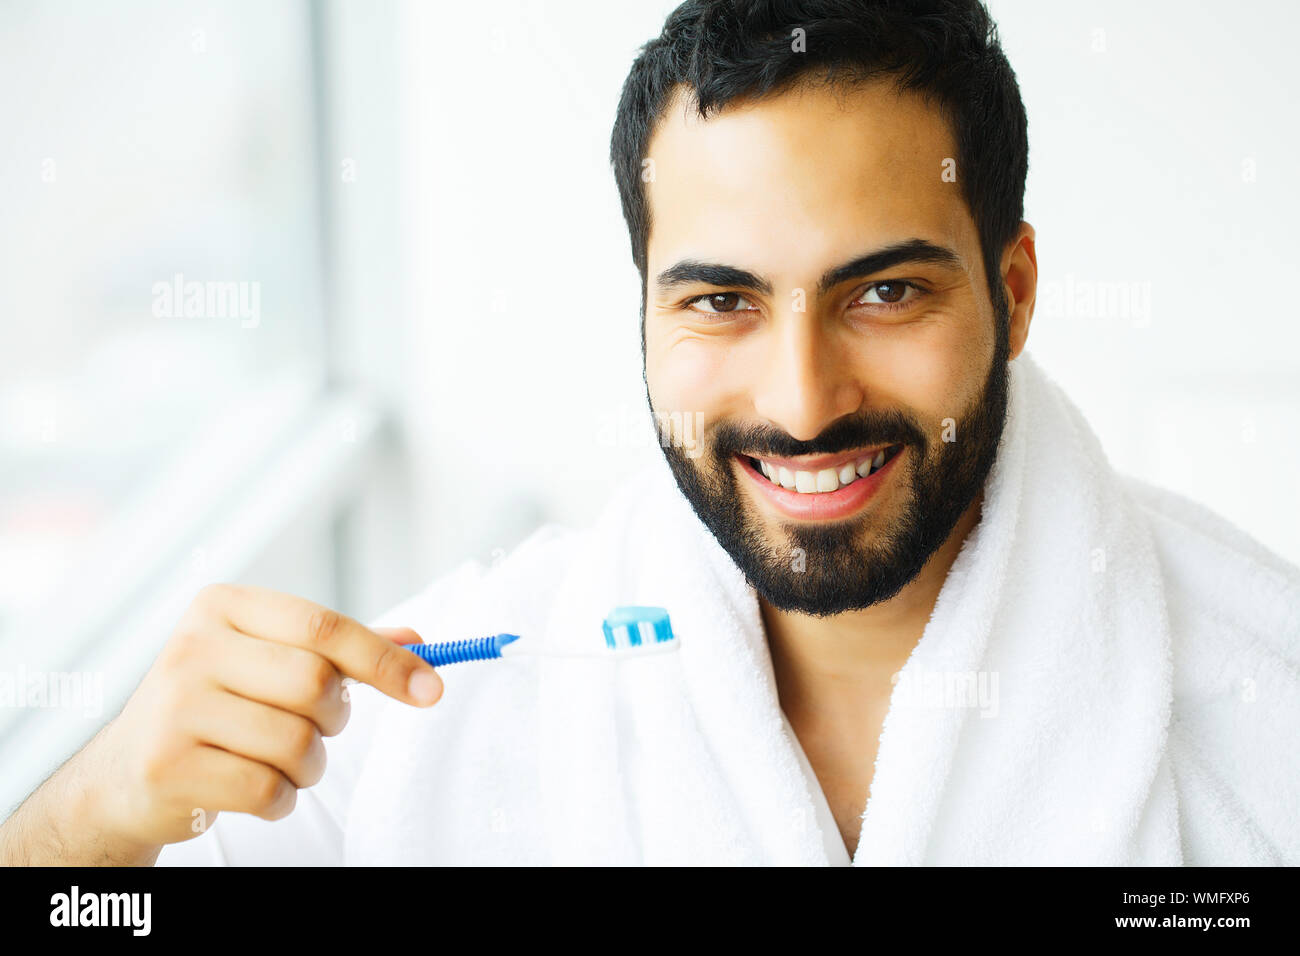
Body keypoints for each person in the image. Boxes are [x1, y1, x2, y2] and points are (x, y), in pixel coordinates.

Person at [3, 0, 1297, 866]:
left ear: (1011, 292)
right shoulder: (436, 719)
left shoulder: (1260, 694)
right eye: (722, 301)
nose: (800, 399)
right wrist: (87, 815)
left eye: (885, 292)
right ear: (643, 310)